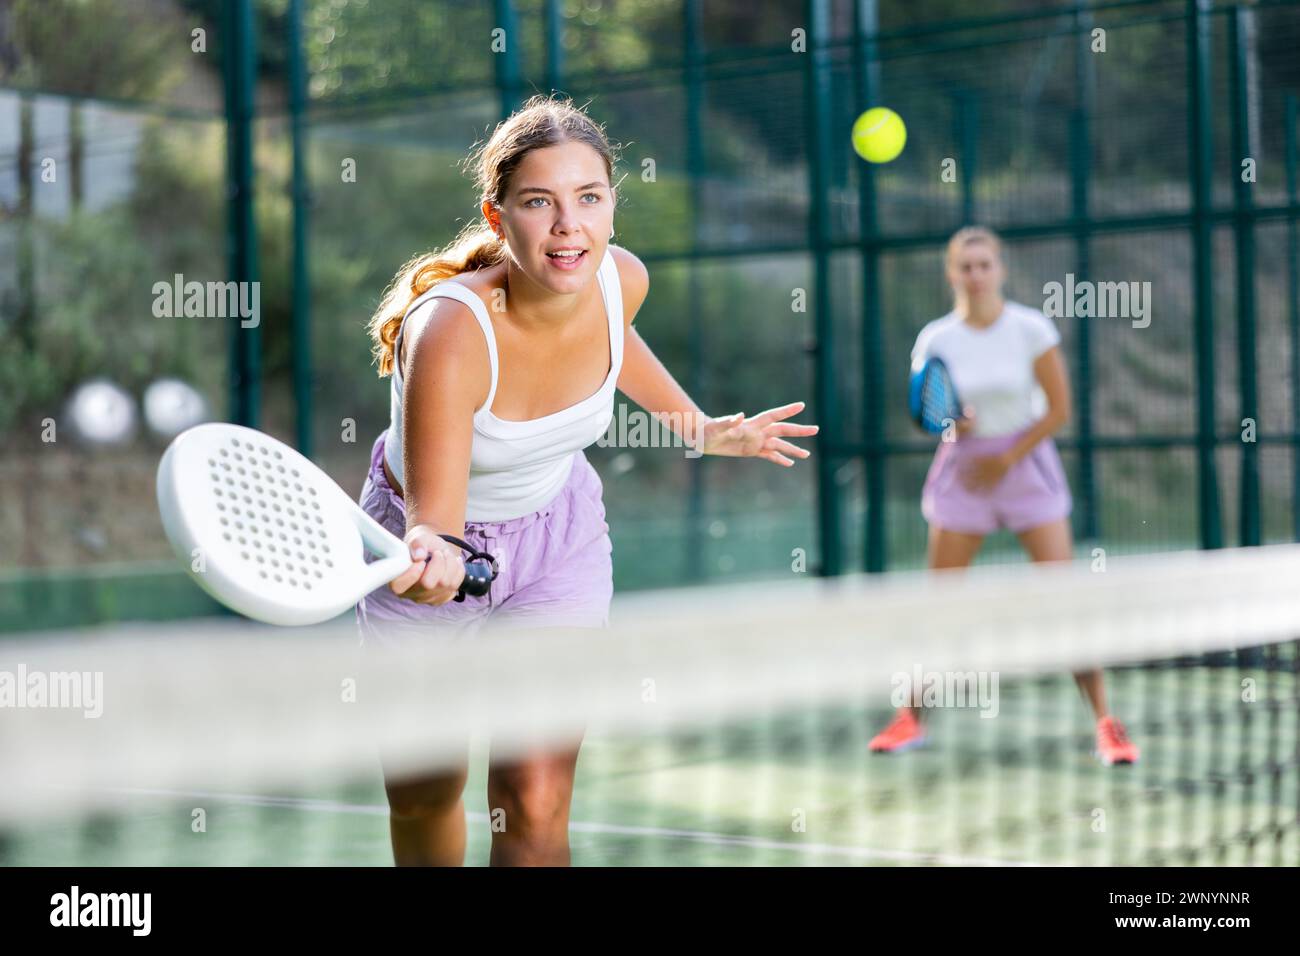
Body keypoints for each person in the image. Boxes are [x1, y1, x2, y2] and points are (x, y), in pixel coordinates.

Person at [356, 95, 819, 865]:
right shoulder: (450, 332)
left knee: (534, 801)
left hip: (559, 541)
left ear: (611, 207)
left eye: (589, 198)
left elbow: (616, 337)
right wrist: (436, 563)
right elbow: (434, 527)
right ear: (499, 219)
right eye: (540, 202)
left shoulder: (620, 278)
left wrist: (700, 428)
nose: (569, 224)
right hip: (428, 544)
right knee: (425, 791)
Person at [868, 226, 1139, 767]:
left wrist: (1008, 458)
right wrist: (958, 426)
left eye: (984, 264)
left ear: (1000, 270)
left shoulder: (1029, 329)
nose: (975, 274)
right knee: (940, 605)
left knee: (1061, 603)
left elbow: (1059, 410)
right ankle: (910, 720)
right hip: (964, 472)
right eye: (965, 266)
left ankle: (1106, 725)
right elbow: (935, 413)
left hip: (1024, 467)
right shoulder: (936, 338)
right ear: (952, 274)